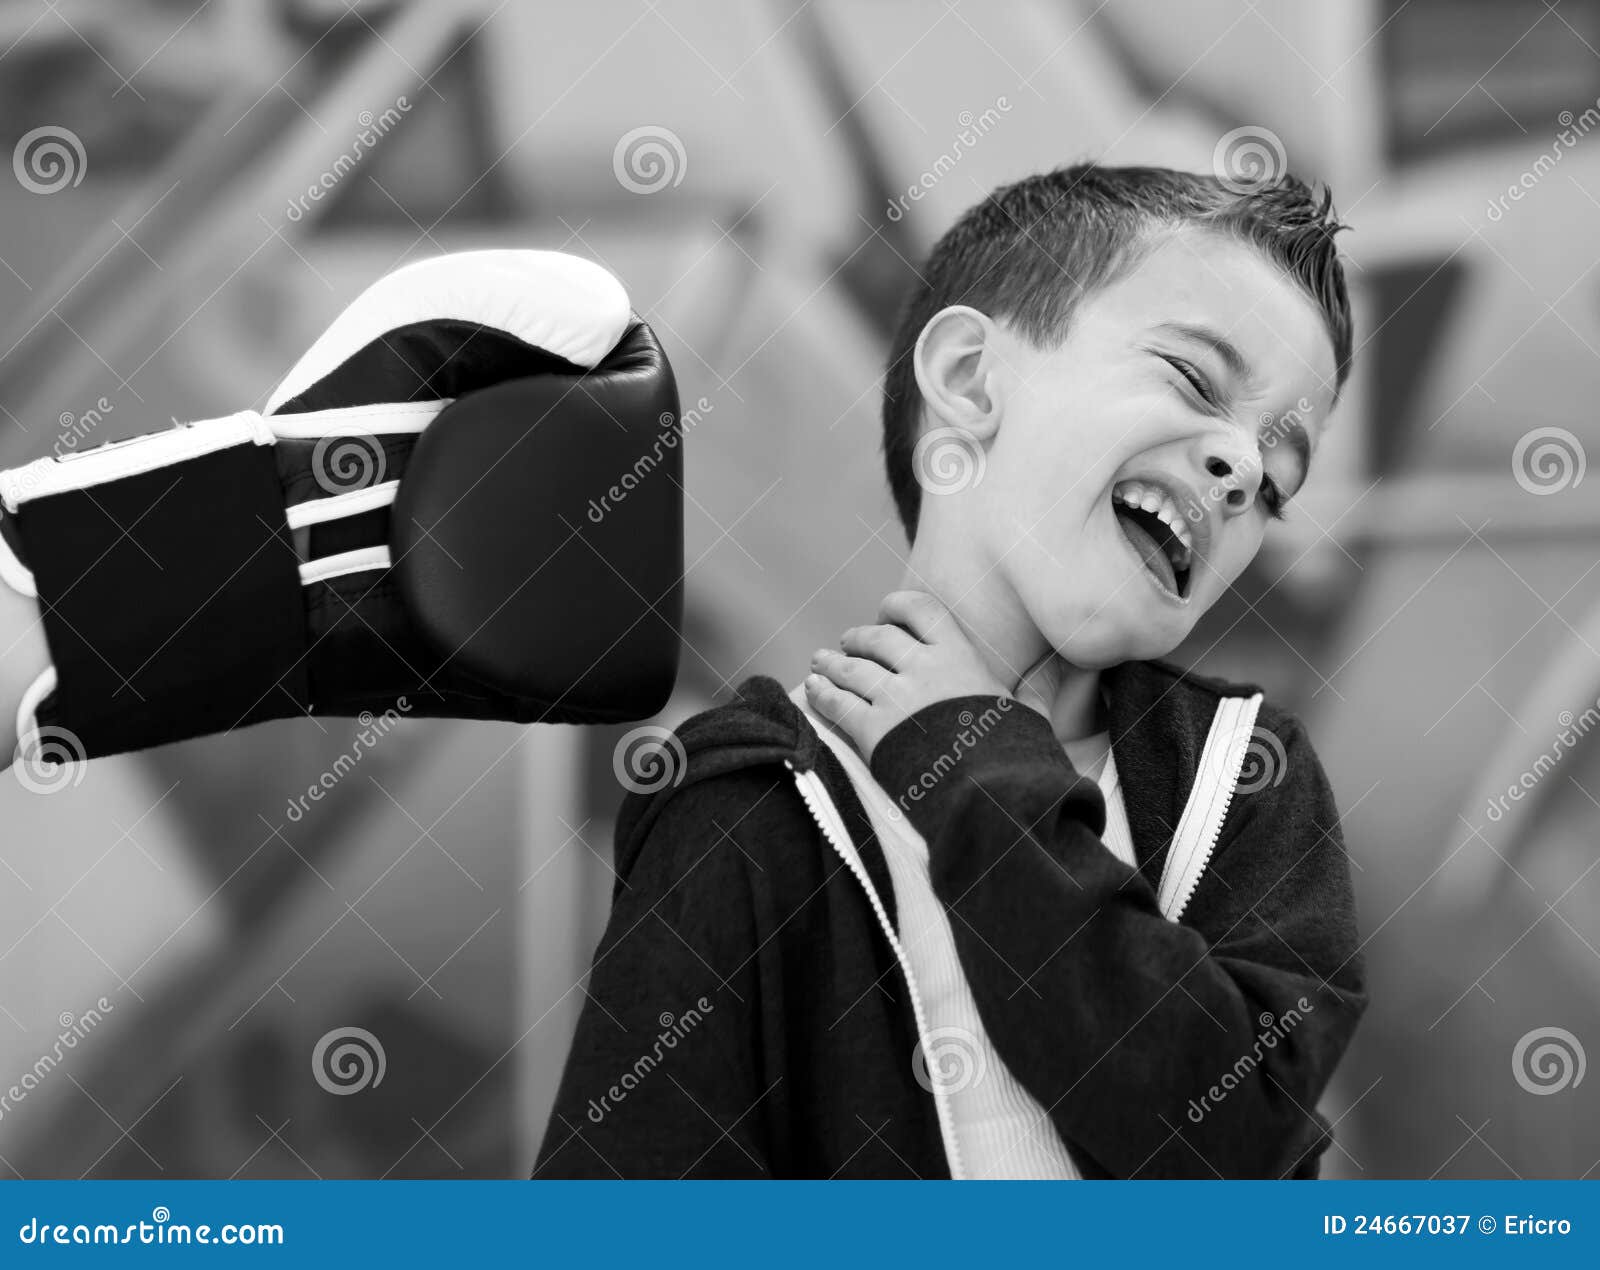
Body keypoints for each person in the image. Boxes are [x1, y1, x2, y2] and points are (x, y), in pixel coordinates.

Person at [532, 162, 1368, 1179]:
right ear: (970, 380)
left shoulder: (1246, 779)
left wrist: (977, 773)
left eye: (1277, 480)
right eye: (1195, 380)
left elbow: (1236, 1146)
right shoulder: (747, 806)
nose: (1240, 466)